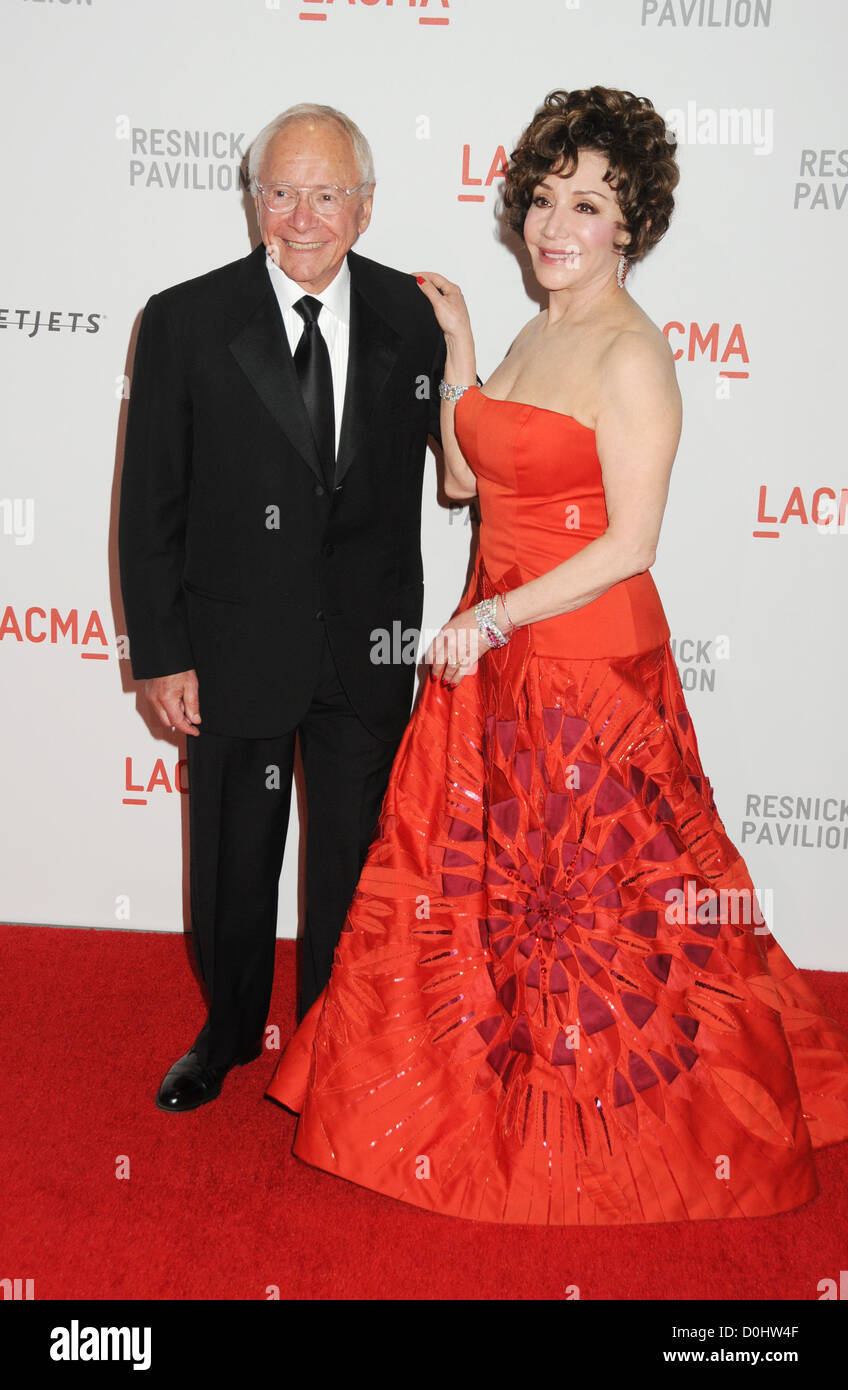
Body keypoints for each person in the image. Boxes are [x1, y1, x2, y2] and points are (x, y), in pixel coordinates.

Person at [267, 88, 848, 1224]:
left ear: (630, 224)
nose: (554, 224)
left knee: (602, 918)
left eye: (586, 203)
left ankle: (617, 1125)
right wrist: (465, 356)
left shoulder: (632, 355)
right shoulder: (540, 327)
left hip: (584, 671)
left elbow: (631, 545)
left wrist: (492, 616)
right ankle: (497, 1091)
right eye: (543, 196)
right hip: (502, 654)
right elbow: (463, 482)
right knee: (495, 902)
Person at [118, 103, 445, 1113]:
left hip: (364, 651)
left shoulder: (413, 313)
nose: (302, 217)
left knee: (348, 870)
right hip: (229, 649)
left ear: (366, 203)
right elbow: (148, 502)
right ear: (252, 199)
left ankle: (329, 1047)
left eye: (326, 193)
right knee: (232, 860)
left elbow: (460, 474)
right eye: (280, 191)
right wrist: (161, 653)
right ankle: (224, 1034)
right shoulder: (183, 318)